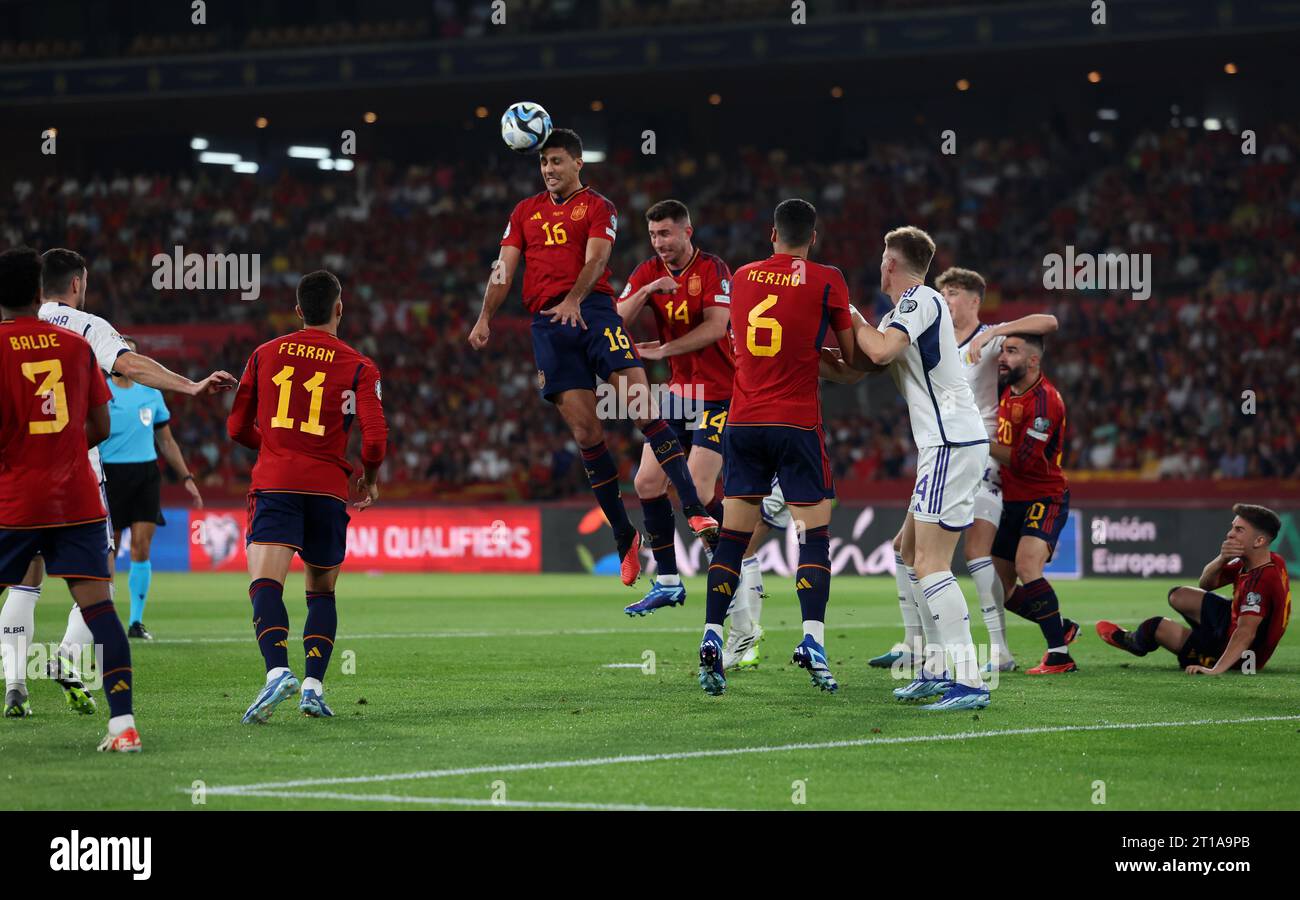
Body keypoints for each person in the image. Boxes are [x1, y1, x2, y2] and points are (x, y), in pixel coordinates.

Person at [470, 129, 717, 593]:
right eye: (544, 163)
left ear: (578, 164)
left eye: (557, 162)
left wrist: (575, 300)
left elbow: (597, 259)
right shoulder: (524, 212)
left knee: (643, 406)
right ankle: (624, 535)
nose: (549, 170)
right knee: (587, 432)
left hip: (596, 314)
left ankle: (694, 507)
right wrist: (485, 316)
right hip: (548, 327)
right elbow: (503, 268)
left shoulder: (599, 207)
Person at [0, 247, 234, 715]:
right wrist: (189, 385)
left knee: (24, 584)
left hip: (12, 480)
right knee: (97, 584)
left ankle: (16, 686)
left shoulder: (8, 333)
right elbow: (130, 368)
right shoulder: (84, 330)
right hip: (75, 479)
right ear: (78, 283)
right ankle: (94, 688)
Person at [696, 199, 855, 697]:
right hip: (796, 425)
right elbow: (851, 360)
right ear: (814, 236)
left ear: (772, 234)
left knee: (733, 540)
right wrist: (822, 355)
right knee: (812, 536)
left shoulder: (742, 277)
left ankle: (712, 634)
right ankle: (812, 639)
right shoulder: (828, 278)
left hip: (743, 424)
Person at [867, 267, 1058, 672]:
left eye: (954, 293)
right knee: (904, 548)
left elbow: (1048, 322)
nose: (946, 298)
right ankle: (915, 644)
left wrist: (994, 333)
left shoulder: (988, 341)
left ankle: (997, 650)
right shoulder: (928, 333)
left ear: (974, 300)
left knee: (973, 551)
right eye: (943, 292)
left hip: (978, 454)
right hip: (938, 451)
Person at [227, 270, 387, 723]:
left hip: (276, 483)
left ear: (298, 311)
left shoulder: (264, 354)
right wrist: (370, 478)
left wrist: (279, 448)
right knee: (321, 592)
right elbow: (375, 438)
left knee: (265, 584)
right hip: (327, 490)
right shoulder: (359, 365)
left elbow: (236, 428)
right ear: (340, 308)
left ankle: (277, 671)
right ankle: (314, 686)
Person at [0, 247, 139, 751]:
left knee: (21, 587)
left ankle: (15, 680)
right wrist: (57, 450)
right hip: (76, 496)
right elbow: (101, 426)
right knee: (100, 607)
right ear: (40, 294)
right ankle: (123, 727)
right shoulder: (77, 346)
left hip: (13, 499)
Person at [853, 227, 991, 711]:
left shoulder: (920, 299)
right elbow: (865, 359)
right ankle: (934, 669)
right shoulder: (902, 312)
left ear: (891, 263)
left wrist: (846, 314)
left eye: (882, 258)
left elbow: (878, 351)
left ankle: (970, 680)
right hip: (945, 444)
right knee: (907, 550)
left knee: (932, 562)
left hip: (951, 443)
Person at [617, 199, 734, 616]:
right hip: (679, 395)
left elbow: (717, 326)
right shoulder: (648, 271)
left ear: (688, 231)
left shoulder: (713, 269)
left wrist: (664, 348)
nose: (658, 242)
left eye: (665, 233)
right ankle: (668, 580)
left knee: (699, 492)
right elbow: (615, 319)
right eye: (652, 235)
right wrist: (647, 291)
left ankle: (732, 553)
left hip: (720, 391)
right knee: (647, 483)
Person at [1097, 504, 1290, 674]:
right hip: (1229, 620)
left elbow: (1246, 633)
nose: (1230, 534)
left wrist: (1215, 670)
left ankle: (1135, 642)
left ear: (1259, 541)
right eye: (1233, 527)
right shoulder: (1269, 560)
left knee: (1154, 626)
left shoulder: (1259, 583)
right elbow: (1206, 584)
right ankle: (1202, 634)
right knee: (1178, 595)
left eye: (1239, 530)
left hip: (1238, 653)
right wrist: (1222, 559)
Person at [101, 336, 205, 639]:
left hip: (145, 474)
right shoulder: (101, 391)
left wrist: (186, 477)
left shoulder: (150, 393)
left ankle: (135, 622)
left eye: (135, 356)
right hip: (110, 476)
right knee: (110, 548)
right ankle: (104, 619)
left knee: (141, 547)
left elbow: (166, 441)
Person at [989, 334, 1080, 674]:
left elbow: (1025, 461)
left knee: (1028, 567)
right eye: (1002, 349)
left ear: (1032, 361)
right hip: (1009, 500)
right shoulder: (1002, 388)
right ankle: (1062, 627)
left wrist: (977, 443)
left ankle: (1059, 654)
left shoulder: (1045, 402)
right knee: (999, 588)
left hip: (1045, 495)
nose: (1002, 357)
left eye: (1011, 351)